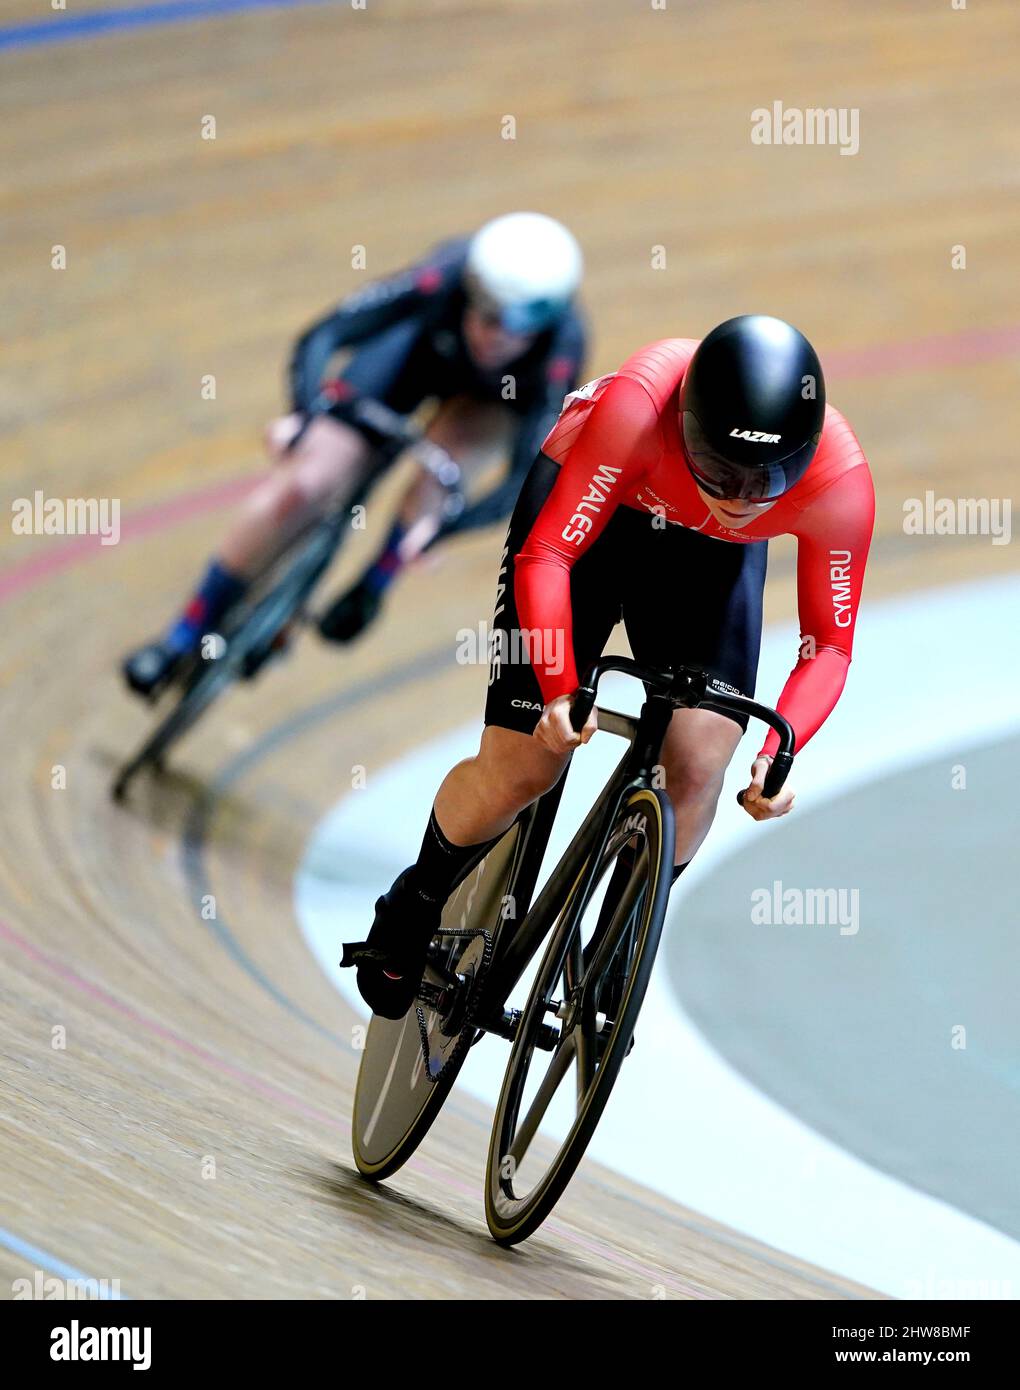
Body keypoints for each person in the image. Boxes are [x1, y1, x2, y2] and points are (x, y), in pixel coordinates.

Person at [343, 314, 876, 1019]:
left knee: (698, 763)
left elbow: (829, 647)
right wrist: (562, 688)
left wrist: (781, 750)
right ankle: (415, 897)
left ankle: (620, 935)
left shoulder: (839, 482)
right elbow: (549, 557)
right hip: (596, 512)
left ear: (805, 456)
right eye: (719, 469)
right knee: (524, 766)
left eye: (767, 480)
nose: (739, 497)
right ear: (684, 419)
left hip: (707, 561)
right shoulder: (637, 405)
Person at [121, 212, 587, 694]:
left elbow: (527, 478)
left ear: (549, 321)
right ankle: (180, 637)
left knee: (442, 479)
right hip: (411, 361)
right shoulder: (438, 278)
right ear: (469, 288)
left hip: (488, 403)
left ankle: (377, 579)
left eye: (519, 325)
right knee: (304, 486)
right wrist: (304, 416)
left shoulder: (562, 351)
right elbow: (326, 333)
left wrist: (444, 527)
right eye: (487, 313)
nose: (499, 335)